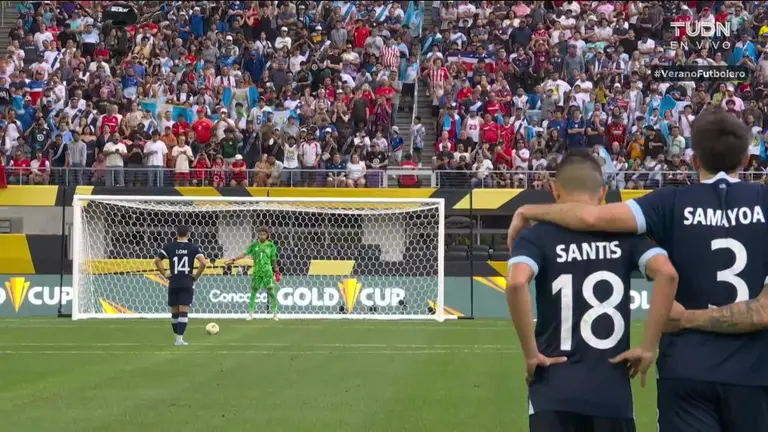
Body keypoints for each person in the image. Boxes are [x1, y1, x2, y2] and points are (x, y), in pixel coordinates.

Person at [507, 108, 768, 431]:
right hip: (755, 374)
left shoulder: (668, 202)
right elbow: (763, 312)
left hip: (686, 369)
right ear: (746, 159)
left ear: (694, 160)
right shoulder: (763, 201)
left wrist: (529, 210)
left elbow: (590, 218)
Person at [507, 150, 678, 432]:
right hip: (611, 392)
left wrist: (530, 354)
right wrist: (649, 346)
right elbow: (667, 273)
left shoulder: (534, 236)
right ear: (603, 193)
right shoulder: (627, 236)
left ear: (554, 190)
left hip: (553, 388)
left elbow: (515, 283)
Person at [154, 226, 207, 346]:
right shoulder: (193, 247)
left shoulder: (170, 246)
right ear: (188, 234)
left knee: (174, 312)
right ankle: (179, 340)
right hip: (186, 282)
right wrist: (196, 276)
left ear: (176, 233)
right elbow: (203, 263)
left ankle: (176, 338)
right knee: (184, 311)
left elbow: (157, 260)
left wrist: (164, 273)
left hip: (173, 281)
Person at [226, 228, 281, 321]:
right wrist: (234, 259)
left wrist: (276, 271)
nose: (262, 236)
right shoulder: (254, 245)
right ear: (258, 235)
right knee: (254, 291)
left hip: (267, 271)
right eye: (260, 234)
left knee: (271, 292)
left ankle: (275, 313)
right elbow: (244, 254)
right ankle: (250, 314)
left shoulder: (271, 246)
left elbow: (273, 259)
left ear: (267, 235)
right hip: (257, 271)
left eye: (264, 234)